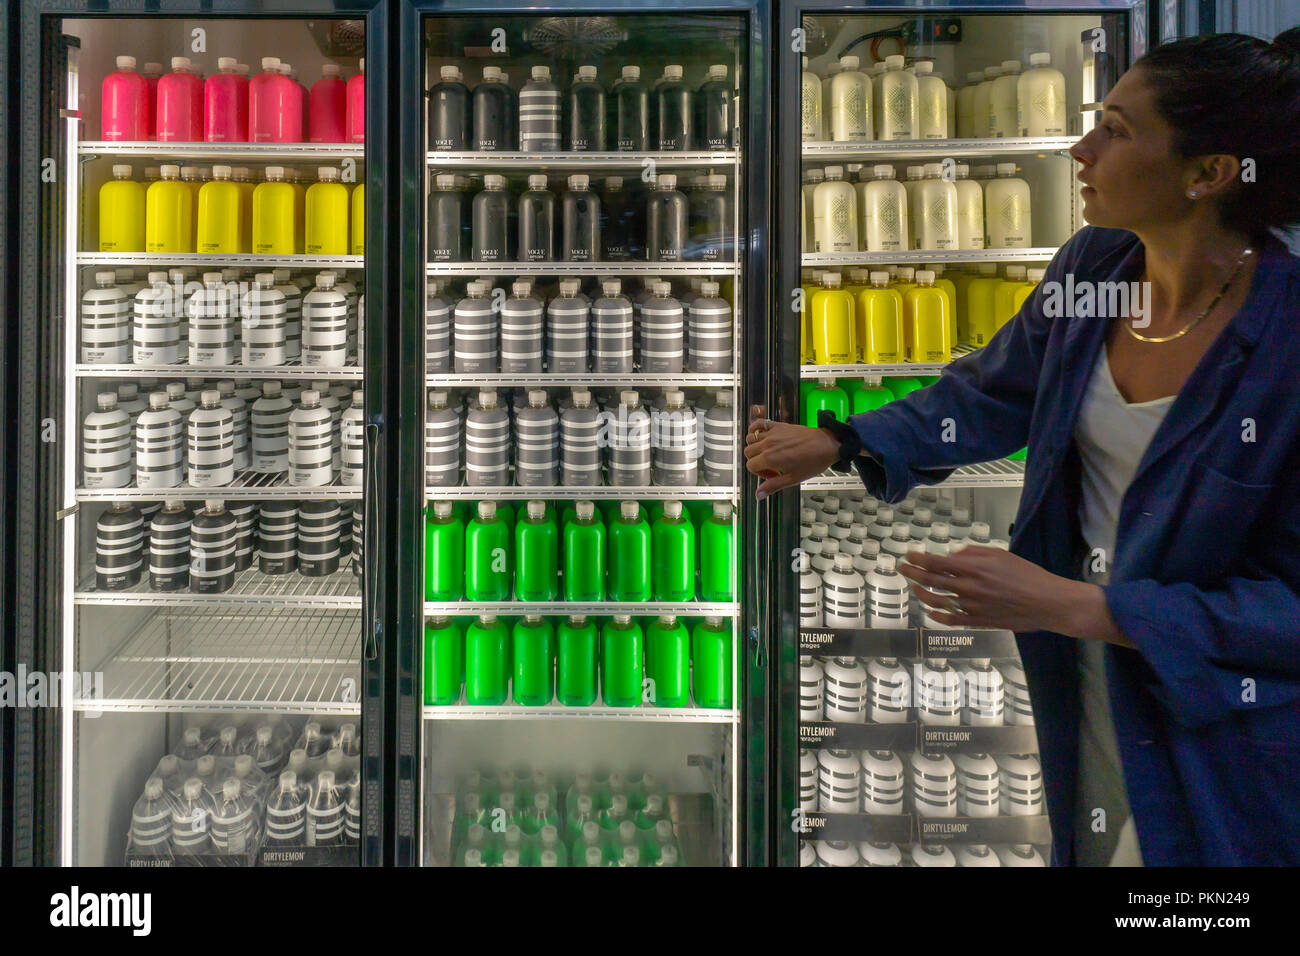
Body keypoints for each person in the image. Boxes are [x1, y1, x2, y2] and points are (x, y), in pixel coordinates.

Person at [745, 29, 1300, 866]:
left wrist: (1076, 605)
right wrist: (842, 440)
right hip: (1089, 687)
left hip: (1226, 730)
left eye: (1116, 130)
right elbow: (993, 391)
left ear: (1209, 173)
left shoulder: (1287, 340)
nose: (1081, 149)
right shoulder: (1099, 266)